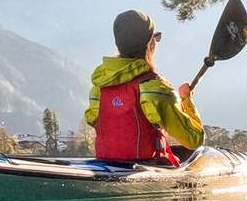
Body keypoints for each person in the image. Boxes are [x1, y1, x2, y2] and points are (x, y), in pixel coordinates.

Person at [85, 9, 204, 165]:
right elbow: (194, 140)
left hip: (106, 165)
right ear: (150, 44)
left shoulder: (98, 89)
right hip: (150, 167)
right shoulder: (155, 89)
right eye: (156, 38)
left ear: (118, 44)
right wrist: (186, 100)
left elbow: (98, 122)